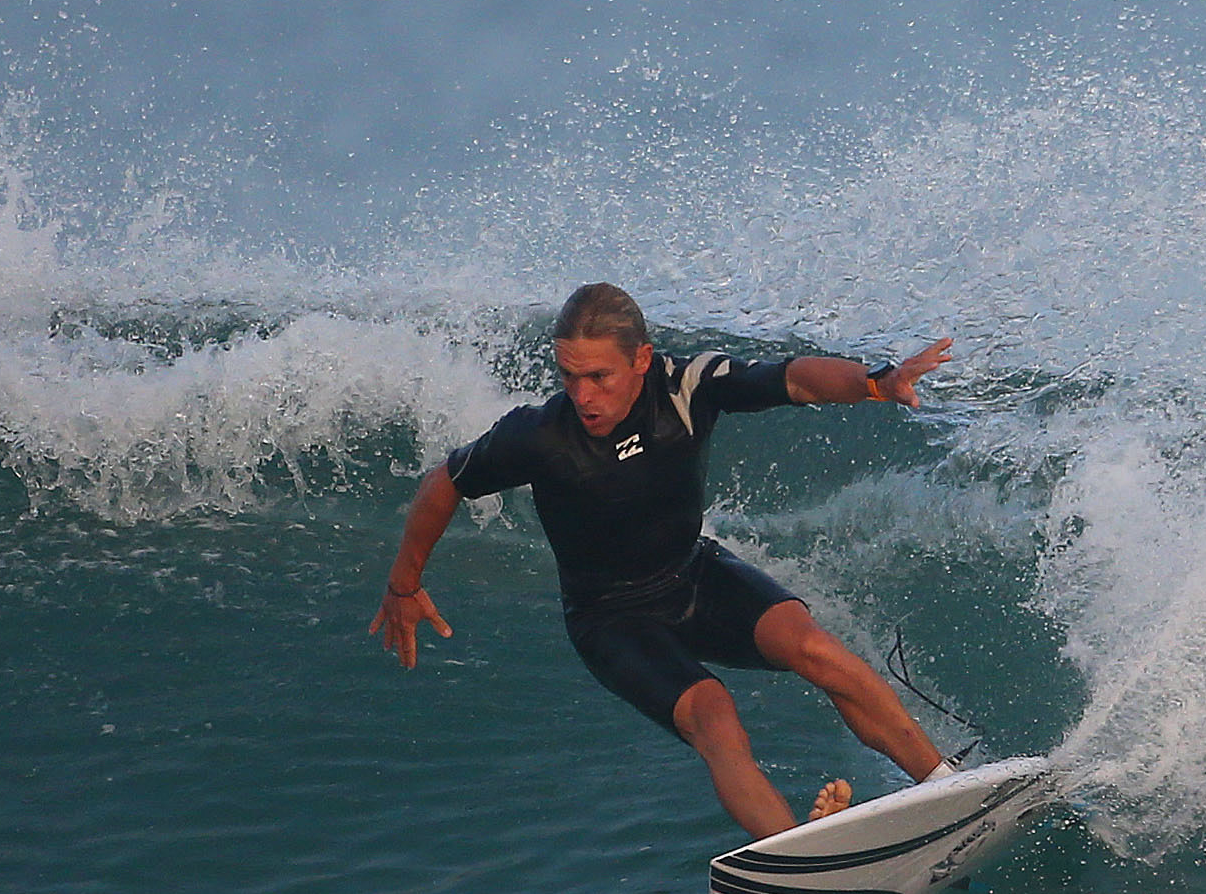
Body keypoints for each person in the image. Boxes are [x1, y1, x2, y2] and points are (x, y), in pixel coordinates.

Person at [372, 281, 958, 838]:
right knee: (714, 715)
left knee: (813, 648)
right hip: (609, 618)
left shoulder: (686, 387)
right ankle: (797, 854)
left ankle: (946, 788)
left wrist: (875, 384)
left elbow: (795, 381)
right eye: (569, 377)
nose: (582, 396)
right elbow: (445, 482)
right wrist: (404, 585)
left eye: (599, 376)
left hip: (693, 574)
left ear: (642, 359)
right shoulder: (538, 435)